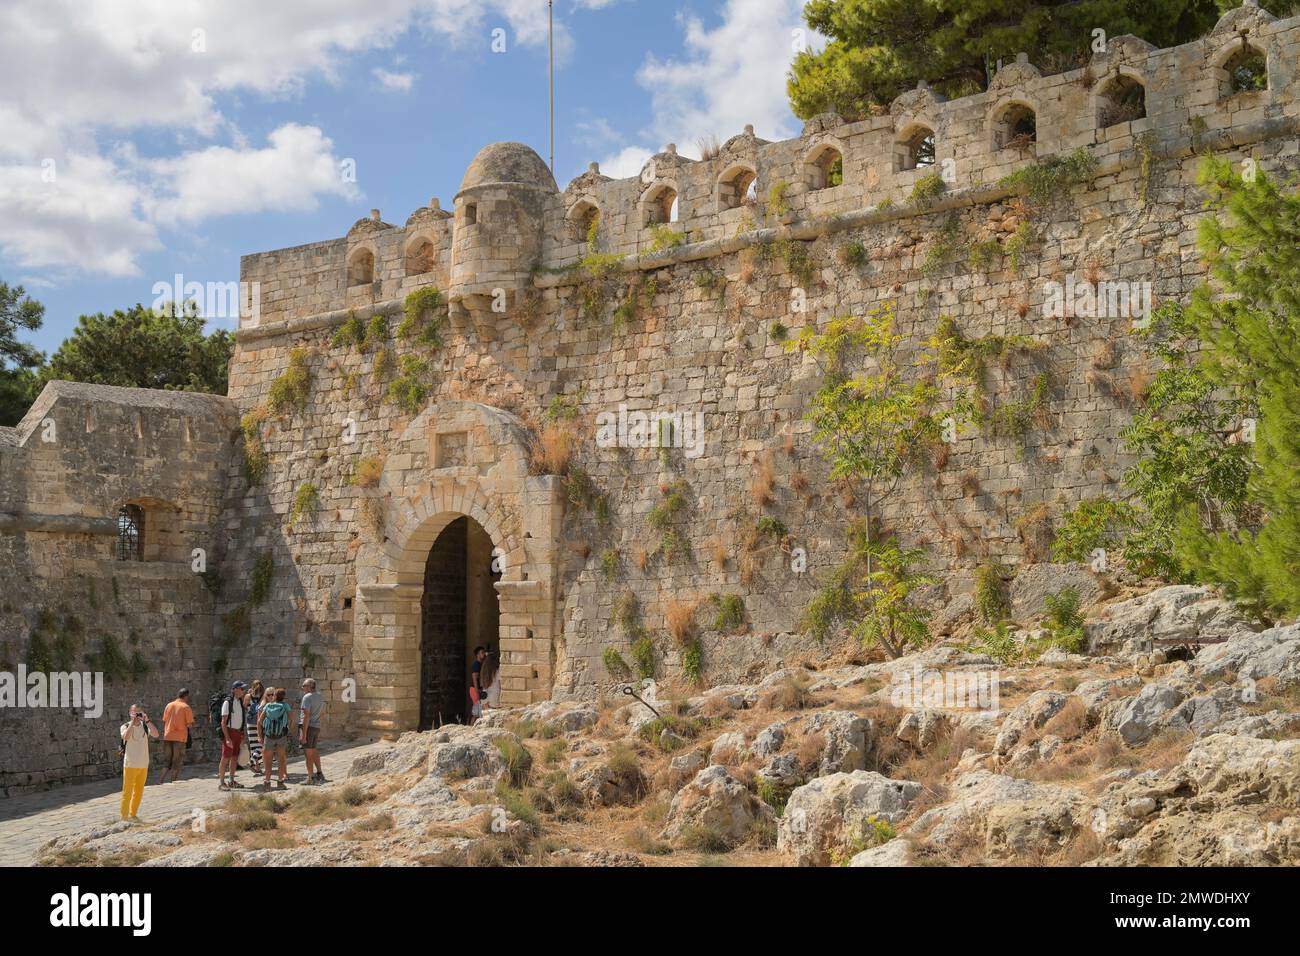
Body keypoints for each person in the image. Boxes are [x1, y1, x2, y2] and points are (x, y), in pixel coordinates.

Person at [119, 704, 159, 823]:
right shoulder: (125, 726)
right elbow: (125, 737)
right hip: (130, 764)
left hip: (143, 764)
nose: (136, 715)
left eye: (139, 712)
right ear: (130, 713)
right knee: (127, 792)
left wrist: (147, 720)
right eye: (134, 712)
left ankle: (133, 814)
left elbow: (156, 734)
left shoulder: (145, 727)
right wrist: (132, 722)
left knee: (139, 792)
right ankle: (124, 817)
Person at [258, 687, 291, 791]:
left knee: (268, 762)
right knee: (281, 760)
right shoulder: (285, 706)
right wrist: (286, 729)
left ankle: (267, 783)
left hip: (269, 736)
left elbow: (260, 720)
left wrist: (263, 732)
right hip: (281, 736)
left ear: (275, 696)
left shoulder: (267, 705)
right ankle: (280, 782)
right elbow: (291, 718)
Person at [158, 688, 194, 784]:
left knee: (167, 761)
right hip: (180, 737)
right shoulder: (185, 707)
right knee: (176, 762)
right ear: (186, 696)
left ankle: (160, 781)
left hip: (168, 736)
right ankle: (173, 782)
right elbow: (189, 724)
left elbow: (165, 720)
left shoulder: (169, 705)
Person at [219, 681, 248, 791]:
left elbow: (241, 719)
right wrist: (227, 738)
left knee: (235, 758)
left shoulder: (240, 702)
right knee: (225, 758)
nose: (243, 691)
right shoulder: (228, 702)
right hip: (230, 732)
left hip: (237, 733)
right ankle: (221, 782)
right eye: (242, 689)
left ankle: (231, 781)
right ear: (235, 689)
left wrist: (242, 735)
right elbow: (223, 722)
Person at [299, 678, 325, 785]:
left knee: (308, 753)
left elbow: (306, 716)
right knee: (314, 750)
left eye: (304, 686)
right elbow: (322, 713)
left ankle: (310, 778)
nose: (303, 688)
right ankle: (319, 773)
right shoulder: (319, 696)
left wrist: (304, 734)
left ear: (310, 687)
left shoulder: (307, 697)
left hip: (308, 727)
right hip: (316, 726)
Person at [246, 680, 265, 775]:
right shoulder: (263, 696)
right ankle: (252, 762)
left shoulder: (248, 696)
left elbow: (244, 705)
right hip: (259, 721)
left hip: (249, 722)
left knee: (253, 745)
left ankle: (257, 767)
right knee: (262, 744)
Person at [469, 645, 487, 721]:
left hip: (478, 689)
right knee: (476, 711)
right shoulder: (476, 664)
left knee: (478, 710)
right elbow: (474, 678)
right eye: (482, 653)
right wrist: (477, 690)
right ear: (478, 655)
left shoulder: (482, 664)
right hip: (475, 689)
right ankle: (471, 726)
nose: (484, 654)